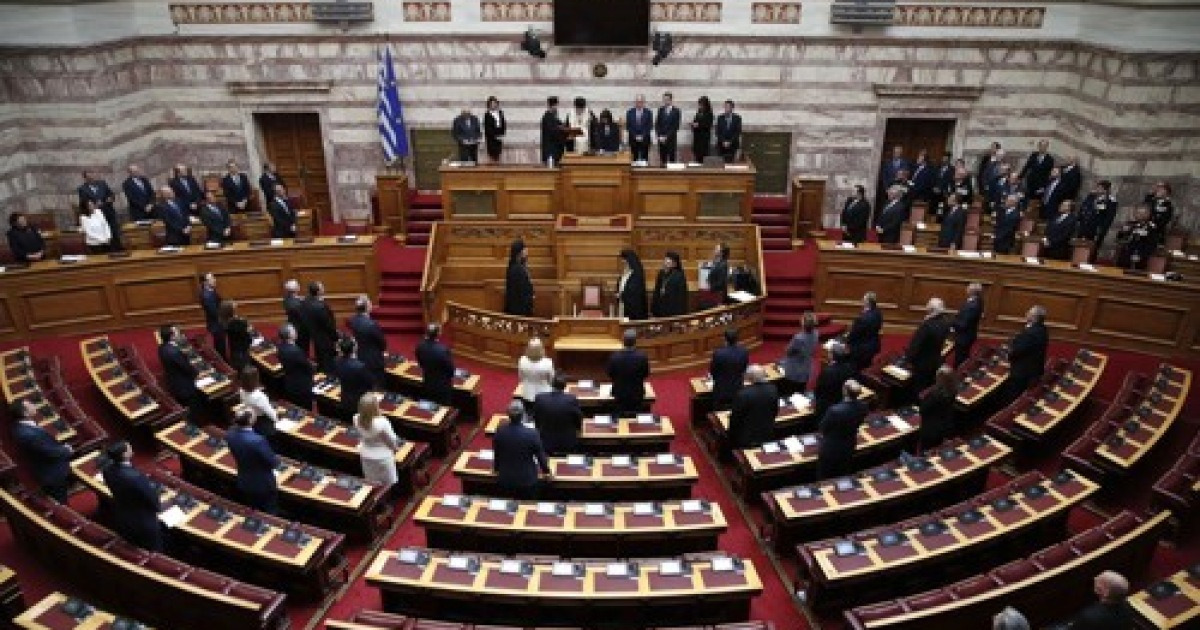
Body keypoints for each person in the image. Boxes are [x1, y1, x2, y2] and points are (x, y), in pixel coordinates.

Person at [101, 440, 164, 551]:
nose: (132, 449)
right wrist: (158, 508)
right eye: (129, 448)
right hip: (143, 522)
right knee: (153, 551)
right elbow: (152, 500)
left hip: (123, 514)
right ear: (124, 454)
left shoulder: (107, 470)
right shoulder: (135, 478)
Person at [10, 398, 73, 502]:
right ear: (25, 413)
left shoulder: (20, 426)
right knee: (61, 502)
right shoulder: (29, 434)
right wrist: (67, 450)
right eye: (30, 404)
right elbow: (50, 453)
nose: (33, 405)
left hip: (45, 467)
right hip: (52, 474)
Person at [493, 401, 551, 499]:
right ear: (523, 415)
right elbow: (540, 457)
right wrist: (546, 471)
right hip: (527, 481)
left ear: (508, 415)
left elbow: (497, 454)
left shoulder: (500, 431)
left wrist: (496, 469)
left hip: (505, 480)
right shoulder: (532, 434)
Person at [226, 409, 280, 514]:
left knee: (254, 509)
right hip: (263, 483)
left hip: (244, 480)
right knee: (270, 511)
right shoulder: (257, 440)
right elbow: (273, 463)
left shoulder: (230, 434)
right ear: (250, 421)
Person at [817, 380, 869, 480]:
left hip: (831, 447)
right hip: (849, 444)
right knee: (843, 473)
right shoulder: (864, 406)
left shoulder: (834, 410)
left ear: (845, 391)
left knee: (824, 476)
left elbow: (822, 428)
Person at [902, 297, 950, 400]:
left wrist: (906, 361)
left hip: (922, 364)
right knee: (928, 386)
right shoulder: (946, 322)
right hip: (935, 360)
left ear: (931, 309)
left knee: (918, 388)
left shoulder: (927, 326)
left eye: (927, 306)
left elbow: (915, 346)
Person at [354, 392, 400, 489]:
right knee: (388, 484)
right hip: (383, 457)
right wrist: (395, 449)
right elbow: (391, 440)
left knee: (373, 483)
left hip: (366, 454)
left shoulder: (356, 418)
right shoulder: (382, 422)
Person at [1005, 305, 1049, 403]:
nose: (1026, 314)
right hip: (1033, 370)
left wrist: (1008, 354)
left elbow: (1018, 351)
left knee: (1014, 397)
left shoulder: (1030, 333)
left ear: (1034, 317)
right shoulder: (1042, 329)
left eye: (1028, 313)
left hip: (1023, 372)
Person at [158, 324, 201, 421]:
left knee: (182, 405)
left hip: (173, 382)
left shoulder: (161, 348)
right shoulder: (174, 352)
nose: (179, 334)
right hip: (184, 387)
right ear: (172, 336)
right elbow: (186, 367)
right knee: (192, 409)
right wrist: (196, 374)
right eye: (176, 333)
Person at [532, 374, 583, 455]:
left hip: (545, 441)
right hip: (567, 442)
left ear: (552, 384)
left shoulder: (540, 398)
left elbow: (535, 417)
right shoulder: (571, 399)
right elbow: (578, 418)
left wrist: (539, 428)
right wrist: (579, 430)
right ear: (565, 386)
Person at [729, 365, 778, 448]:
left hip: (746, 436)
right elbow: (775, 411)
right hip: (767, 432)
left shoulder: (743, 394)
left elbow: (735, 418)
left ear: (750, 378)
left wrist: (731, 433)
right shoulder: (773, 389)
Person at [607, 330, 650, 416]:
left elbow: (610, 374)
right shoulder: (642, 357)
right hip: (637, 393)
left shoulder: (614, 357)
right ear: (635, 342)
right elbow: (646, 374)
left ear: (623, 341)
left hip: (619, 393)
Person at [77, 170, 122, 250]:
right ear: (85, 178)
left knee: (114, 233)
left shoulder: (102, 183)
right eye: (89, 177)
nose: (92, 178)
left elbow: (111, 195)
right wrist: (94, 205)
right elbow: (84, 202)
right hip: (96, 216)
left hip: (108, 212)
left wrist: (110, 198)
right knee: (101, 235)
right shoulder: (82, 189)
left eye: (93, 175)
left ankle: (117, 250)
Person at [813, 342, 858, 422]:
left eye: (830, 352)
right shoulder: (850, 368)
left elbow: (819, 389)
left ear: (832, 355)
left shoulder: (827, 371)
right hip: (842, 401)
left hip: (827, 405)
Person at [348, 295, 387, 386]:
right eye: (370, 303)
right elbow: (382, 343)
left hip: (359, 355)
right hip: (373, 360)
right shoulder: (372, 325)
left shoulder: (352, 320)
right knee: (378, 385)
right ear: (367, 307)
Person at [917, 367, 957, 453]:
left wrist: (923, 398)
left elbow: (922, 410)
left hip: (930, 429)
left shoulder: (935, 395)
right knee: (935, 449)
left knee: (926, 452)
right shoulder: (953, 391)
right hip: (943, 427)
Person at [334, 336, 373, 423]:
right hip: (359, 402)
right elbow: (369, 384)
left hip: (345, 398)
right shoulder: (360, 366)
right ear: (353, 348)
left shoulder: (336, 361)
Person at [302, 281, 338, 374]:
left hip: (314, 334)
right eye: (322, 287)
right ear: (318, 292)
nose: (324, 288)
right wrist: (335, 336)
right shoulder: (321, 307)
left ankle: (321, 370)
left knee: (320, 355)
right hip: (325, 337)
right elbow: (328, 325)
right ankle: (328, 375)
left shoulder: (306, 301)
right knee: (327, 359)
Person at [779, 312, 818, 397]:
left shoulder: (798, 338)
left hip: (795, 369)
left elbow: (788, 351)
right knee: (801, 391)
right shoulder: (816, 333)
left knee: (790, 393)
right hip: (807, 366)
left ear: (803, 323)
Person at [1078, 180, 1118, 262]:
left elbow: (1108, 219)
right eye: (1097, 187)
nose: (1097, 189)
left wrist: (1101, 231)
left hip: (1096, 229)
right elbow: (1083, 208)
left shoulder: (1110, 201)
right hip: (1084, 226)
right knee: (1079, 247)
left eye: (1100, 188)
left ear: (1105, 190)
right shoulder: (1091, 196)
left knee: (1092, 250)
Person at [710, 329, 750, 411]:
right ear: (737, 339)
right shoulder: (744, 351)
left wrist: (716, 379)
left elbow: (713, 370)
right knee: (736, 408)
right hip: (737, 386)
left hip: (721, 387)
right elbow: (744, 368)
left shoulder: (718, 353)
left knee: (718, 410)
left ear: (725, 339)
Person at [415, 324, 455, 405]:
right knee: (444, 408)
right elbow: (451, 370)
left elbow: (420, 363)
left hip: (427, 381)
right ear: (438, 334)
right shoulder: (443, 350)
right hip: (442, 386)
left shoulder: (420, 346)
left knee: (431, 406)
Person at [277, 324, 314, 410]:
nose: (296, 332)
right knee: (306, 410)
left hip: (289, 383)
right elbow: (307, 367)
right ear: (289, 335)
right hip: (301, 386)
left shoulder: (281, 347)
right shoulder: (295, 351)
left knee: (295, 408)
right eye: (294, 331)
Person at [239, 366, 278, 441]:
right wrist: (278, 420)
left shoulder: (241, 391)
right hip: (264, 421)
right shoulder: (259, 396)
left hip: (253, 419)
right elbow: (270, 413)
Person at [845, 292, 882, 371]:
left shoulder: (862, 318)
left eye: (863, 299)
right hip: (873, 344)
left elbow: (854, 334)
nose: (862, 300)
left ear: (867, 302)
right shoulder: (878, 313)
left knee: (857, 367)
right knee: (867, 365)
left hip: (861, 348)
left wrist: (846, 340)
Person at [1115, 205, 1159, 270]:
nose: (1139, 215)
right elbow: (1119, 238)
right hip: (1125, 255)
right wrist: (1122, 231)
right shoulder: (1130, 224)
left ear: (1148, 214)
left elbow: (1152, 245)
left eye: (1142, 213)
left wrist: (1141, 255)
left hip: (1138, 256)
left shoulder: (1151, 228)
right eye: (1138, 213)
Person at [951, 282, 984, 367]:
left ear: (971, 291)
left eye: (968, 288)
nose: (966, 289)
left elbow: (963, 324)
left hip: (964, 337)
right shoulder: (977, 301)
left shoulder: (973, 306)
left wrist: (951, 322)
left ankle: (957, 376)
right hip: (967, 335)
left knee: (960, 359)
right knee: (963, 356)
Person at [517, 338, 554, 409]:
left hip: (527, 393)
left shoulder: (522, 360)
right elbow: (551, 379)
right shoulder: (548, 362)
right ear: (541, 349)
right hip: (544, 394)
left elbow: (521, 377)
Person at [219, 299, 253, 373]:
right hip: (241, 349)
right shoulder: (236, 323)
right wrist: (247, 328)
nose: (236, 309)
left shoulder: (224, 320)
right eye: (235, 308)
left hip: (234, 347)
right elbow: (248, 331)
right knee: (244, 367)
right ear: (230, 311)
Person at [652, 251, 688, 318]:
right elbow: (657, 290)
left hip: (673, 309)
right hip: (661, 306)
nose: (666, 263)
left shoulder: (679, 276)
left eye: (668, 262)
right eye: (665, 261)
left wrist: (680, 315)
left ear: (675, 264)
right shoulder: (661, 273)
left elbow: (681, 296)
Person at [503, 238, 535, 316]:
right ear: (520, 252)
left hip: (517, 308)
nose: (527, 251)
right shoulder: (517, 269)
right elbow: (522, 291)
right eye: (525, 249)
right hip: (519, 310)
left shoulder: (516, 266)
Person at [199, 272, 226, 360]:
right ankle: (224, 364)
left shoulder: (211, 291)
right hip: (216, 324)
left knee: (220, 344)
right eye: (211, 278)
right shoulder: (207, 296)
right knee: (220, 346)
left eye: (213, 278)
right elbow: (214, 312)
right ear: (205, 282)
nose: (214, 280)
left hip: (216, 323)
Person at [617, 249, 648, 320]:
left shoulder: (637, 274)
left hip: (634, 310)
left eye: (624, 261)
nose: (623, 263)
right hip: (623, 305)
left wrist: (621, 295)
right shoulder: (625, 273)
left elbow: (634, 292)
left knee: (630, 330)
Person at [283, 279, 309, 354]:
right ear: (297, 288)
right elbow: (304, 317)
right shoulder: (298, 305)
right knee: (303, 347)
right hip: (301, 329)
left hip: (293, 324)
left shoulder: (287, 299)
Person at [701, 243, 730, 309]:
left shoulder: (723, 264)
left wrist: (710, 286)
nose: (714, 250)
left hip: (718, 294)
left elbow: (721, 282)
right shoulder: (717, 262)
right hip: (714, 292)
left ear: (721, 253)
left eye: (717, 249)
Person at [626, 95, 653, 162]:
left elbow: (650, 126)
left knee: (644, 158)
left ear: (644, 102)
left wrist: (642, 136)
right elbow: (628, 126)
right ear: (635, 102)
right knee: (634, 158)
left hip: (645, 139)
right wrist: (635, 136)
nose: (639, 103)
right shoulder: (630, 112)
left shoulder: (648, 112)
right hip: (633, 139)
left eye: (641, 102)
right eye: (637, 102)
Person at [539, 96, 566, 165]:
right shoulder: (547, 118)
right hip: (551, 151)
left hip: (555, 151)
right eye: (556, 105)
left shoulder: (554, 118)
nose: (557, 108)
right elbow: (554, 132)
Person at [655, 92, 681, 164]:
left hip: (671, 140)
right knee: (663, 160)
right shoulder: (661, 110)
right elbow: (657, 124)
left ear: (671, 100)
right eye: (664, 100)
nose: (665, 101)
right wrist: (659, 136)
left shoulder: (676, 111)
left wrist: (666, 137)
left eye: (667, 100)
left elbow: (676, 127)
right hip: (661, 140)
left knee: (671, 160)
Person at [691, 96, 714, 162]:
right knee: (697, 158)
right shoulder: (698, 113)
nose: (700, 106)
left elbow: (708, 125)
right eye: (699, 104)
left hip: (704, 140)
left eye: (701, 105)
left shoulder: (709, 114)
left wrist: (698, 125)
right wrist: (693, 125)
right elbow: (695, 122)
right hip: (697, 139)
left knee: (703, 158)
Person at [483, 96, 506, 161]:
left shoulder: (500, 112)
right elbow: (487, 128)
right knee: (492, 155)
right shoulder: (487, 115)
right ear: (489, 105)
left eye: (495, 103)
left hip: (499, 136)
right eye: (491, 104)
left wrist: (502, 134)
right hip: (491, 138)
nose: (493, 105)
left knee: (499, 154)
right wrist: (495, 136)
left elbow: (503, 123)